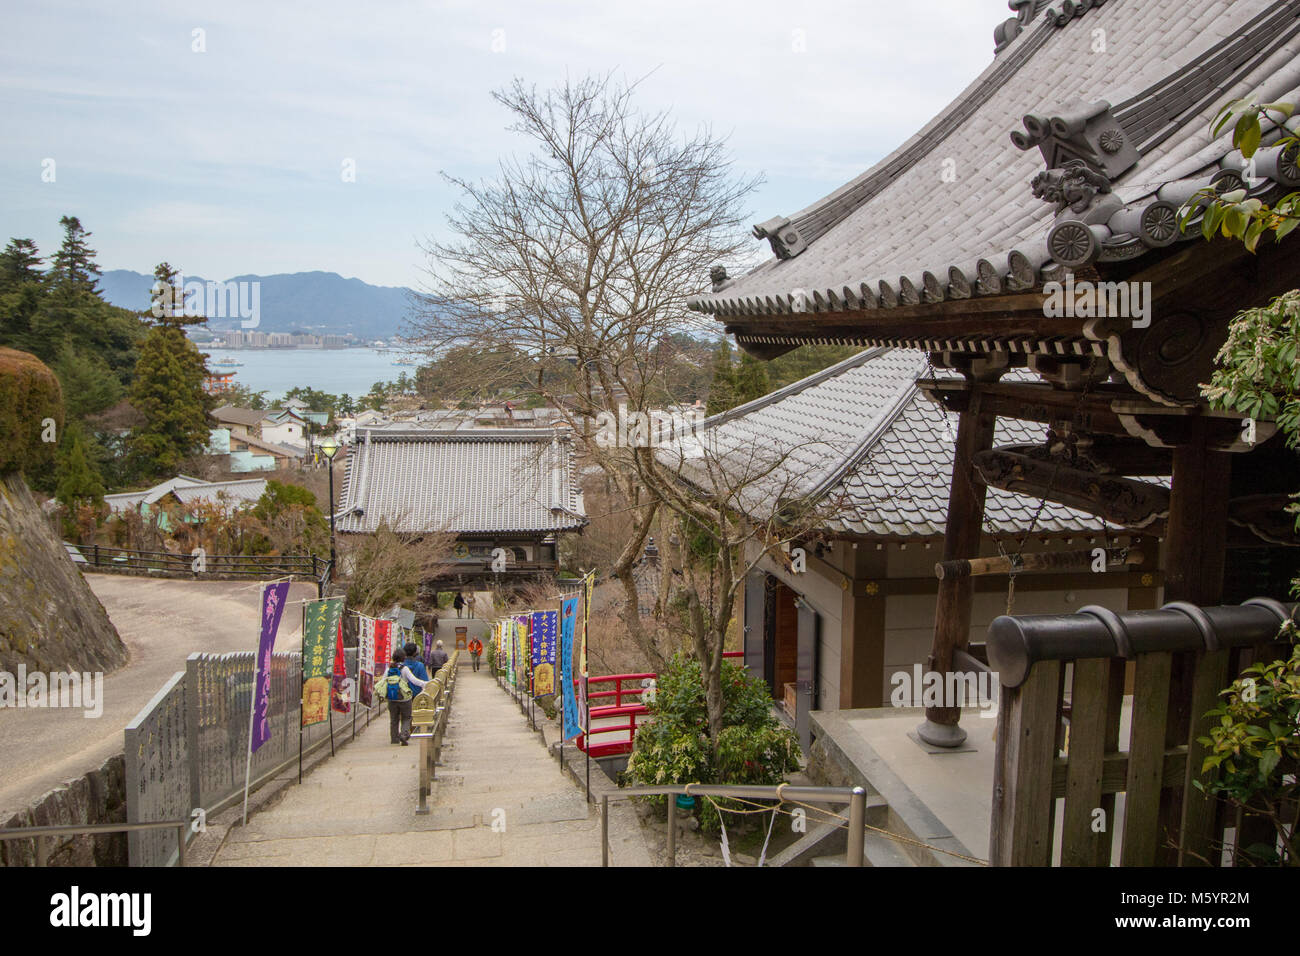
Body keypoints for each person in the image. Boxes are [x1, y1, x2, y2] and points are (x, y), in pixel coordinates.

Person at [381, 650, 428, 745]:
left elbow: (383, 682)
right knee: (406, 718)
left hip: (392, 698)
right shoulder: (404, 669)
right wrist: (425, 684)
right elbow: (414, 680)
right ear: (403, 658)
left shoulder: (388, 669)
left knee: (393, 719)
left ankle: (394, 739)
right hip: (404, 698)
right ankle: (404, 734)